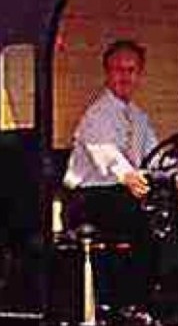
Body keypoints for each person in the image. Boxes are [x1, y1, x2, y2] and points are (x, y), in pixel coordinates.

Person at [63, 39, 159, 232]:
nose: (125, 77)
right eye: (118, 70)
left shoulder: (139, 117)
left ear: (139, 75)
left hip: (124, 196)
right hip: (91, 200)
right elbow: (109, 159)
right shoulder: (96, 114)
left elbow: (155, 156)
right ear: (107, 73)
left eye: (131, 70)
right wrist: (129, 176)